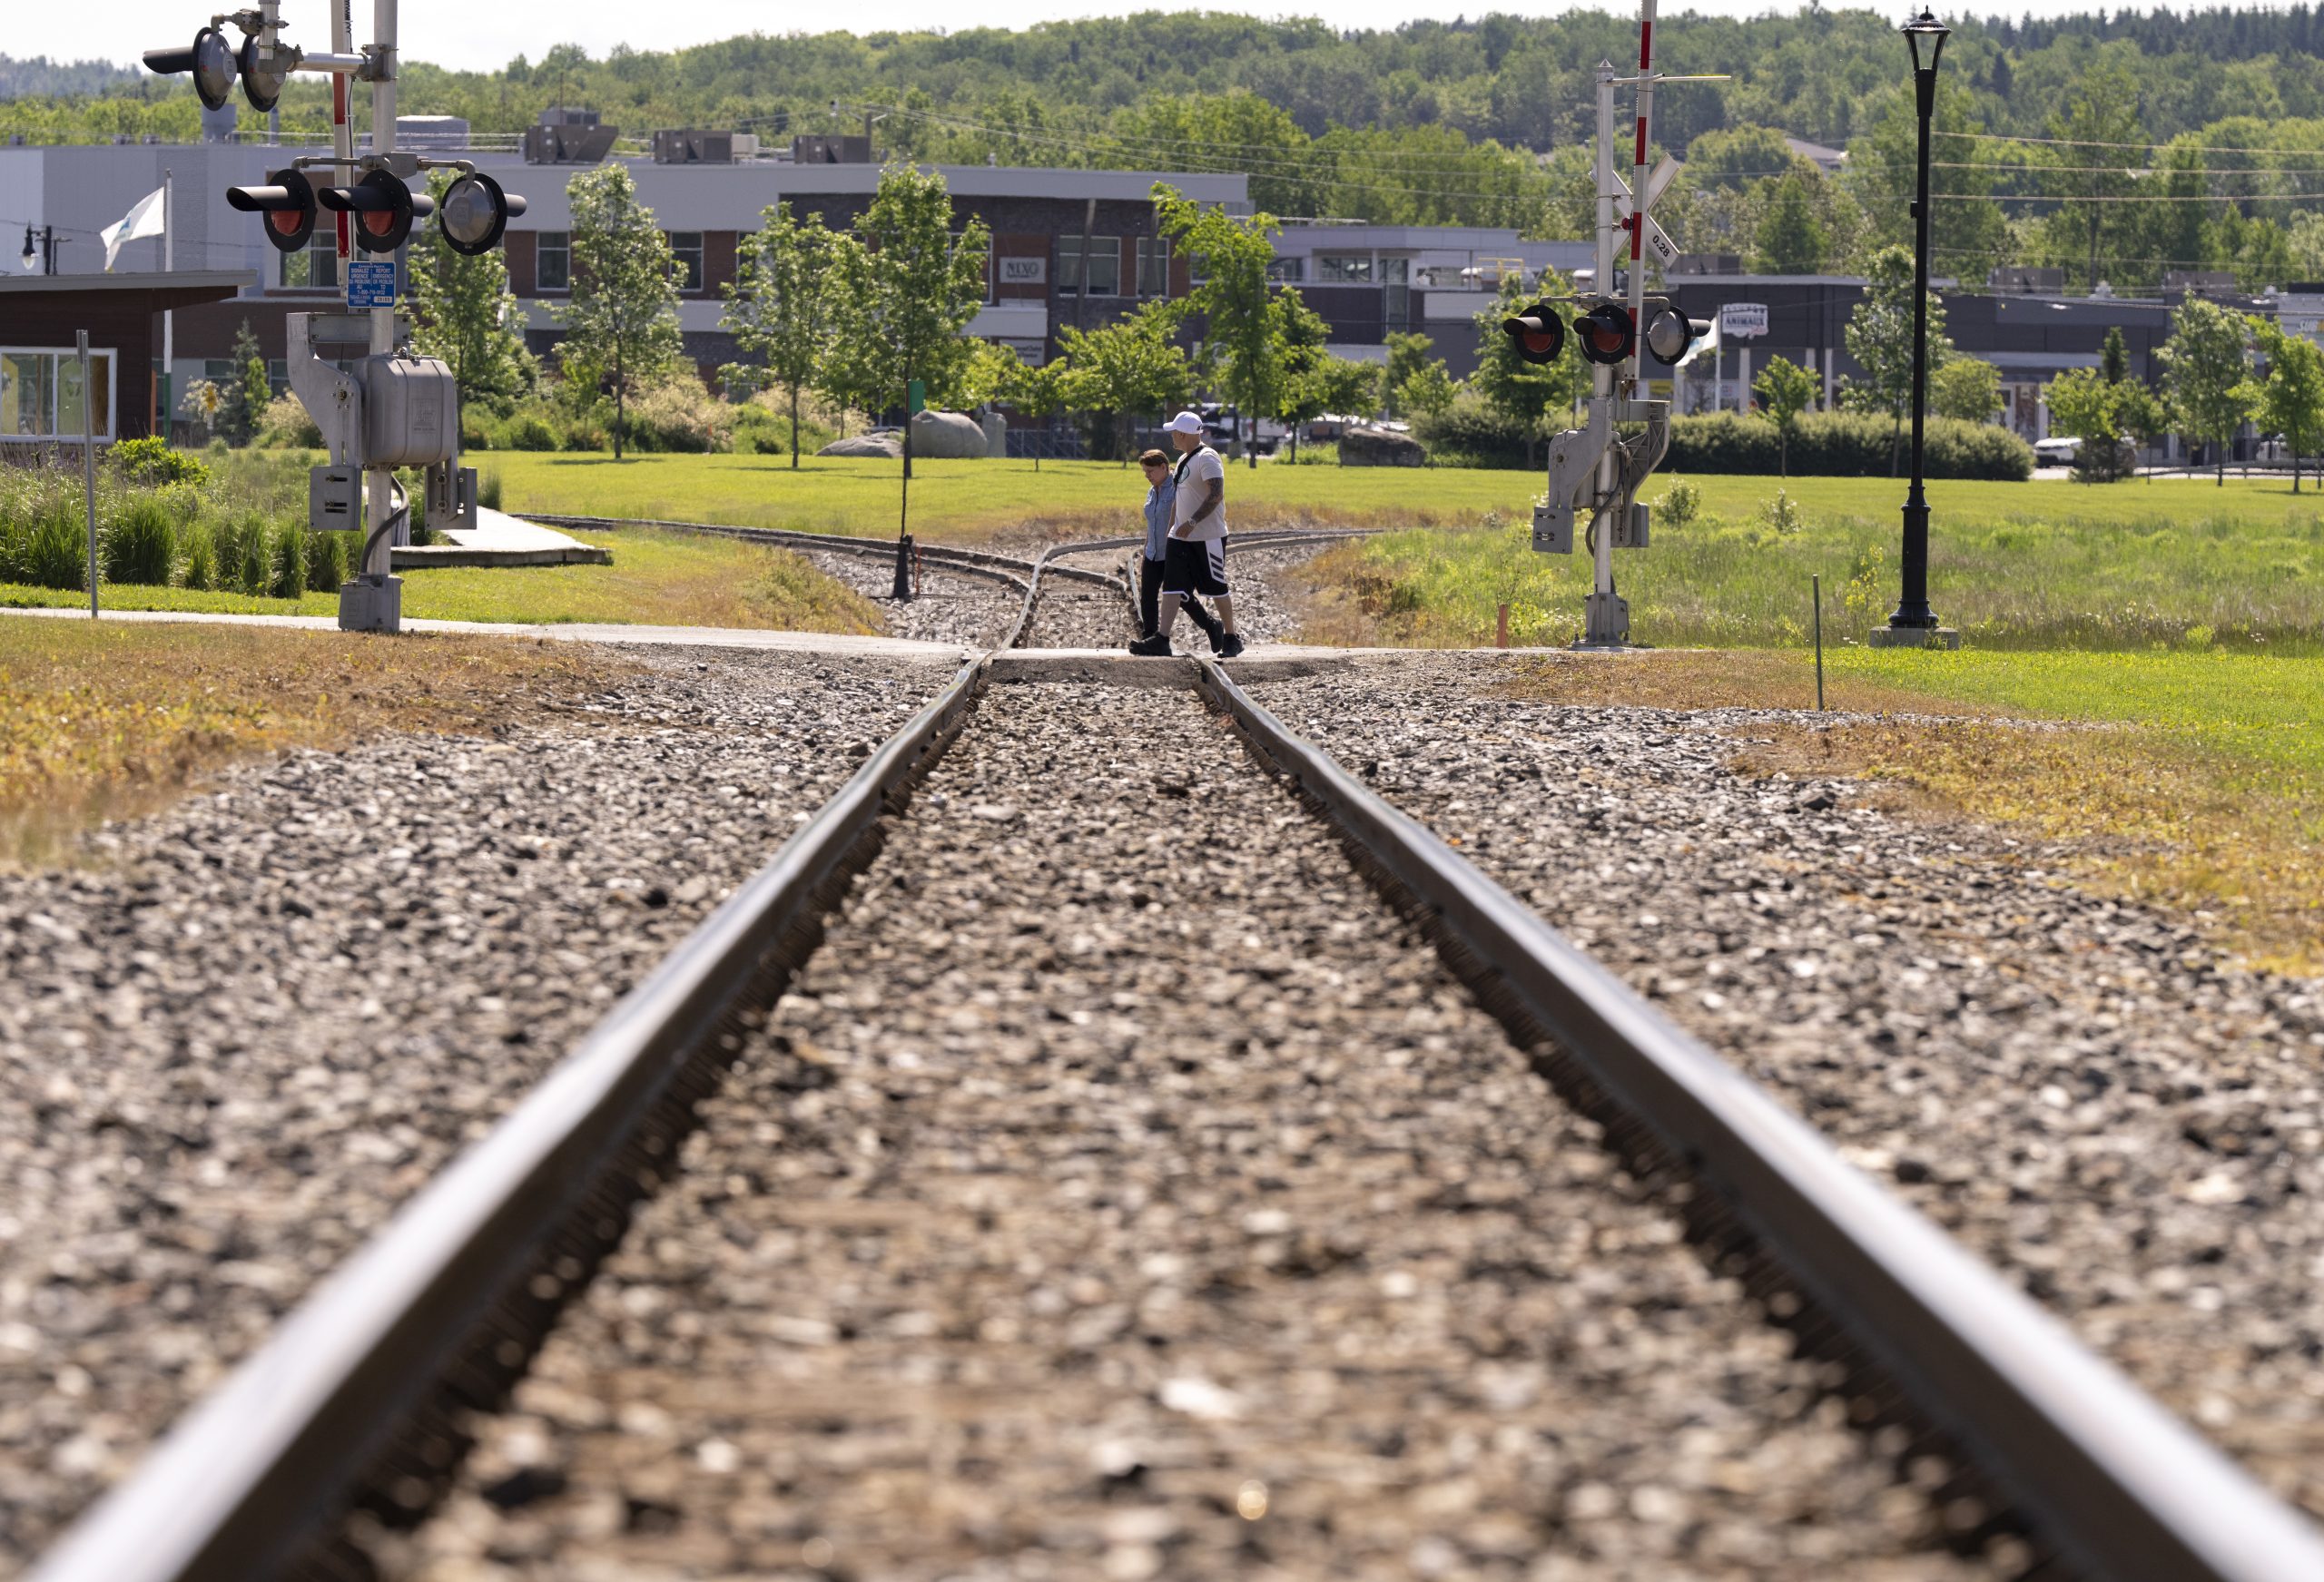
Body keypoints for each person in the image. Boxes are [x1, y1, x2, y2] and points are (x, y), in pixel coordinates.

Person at [1130, 411, 1245, 659]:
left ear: (1183, 434)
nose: (1172, 436)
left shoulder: (1208, 457)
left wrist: (1192, 521)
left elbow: (1216, 494)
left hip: (1208, 537)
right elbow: (1179, 500)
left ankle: (1231, 637)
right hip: (1180, 538)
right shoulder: (1183, 460)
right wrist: (1172, 531)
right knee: (1172, 588)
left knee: (1216, 587)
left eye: (1174, 432)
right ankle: (1162, 639)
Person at [1135, 447, 1224, 645]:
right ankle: (1149, 637)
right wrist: (1146, 550)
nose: (1147, 476)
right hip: (1153, 552)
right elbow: (1152, 523)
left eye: (1150, 471)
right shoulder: (1152, 491)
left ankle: (1212, 625)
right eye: (1145, 472)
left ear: (1163, 467)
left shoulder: (1178, 488)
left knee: (1182, 596)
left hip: (1172, 551)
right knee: (1147, 595)